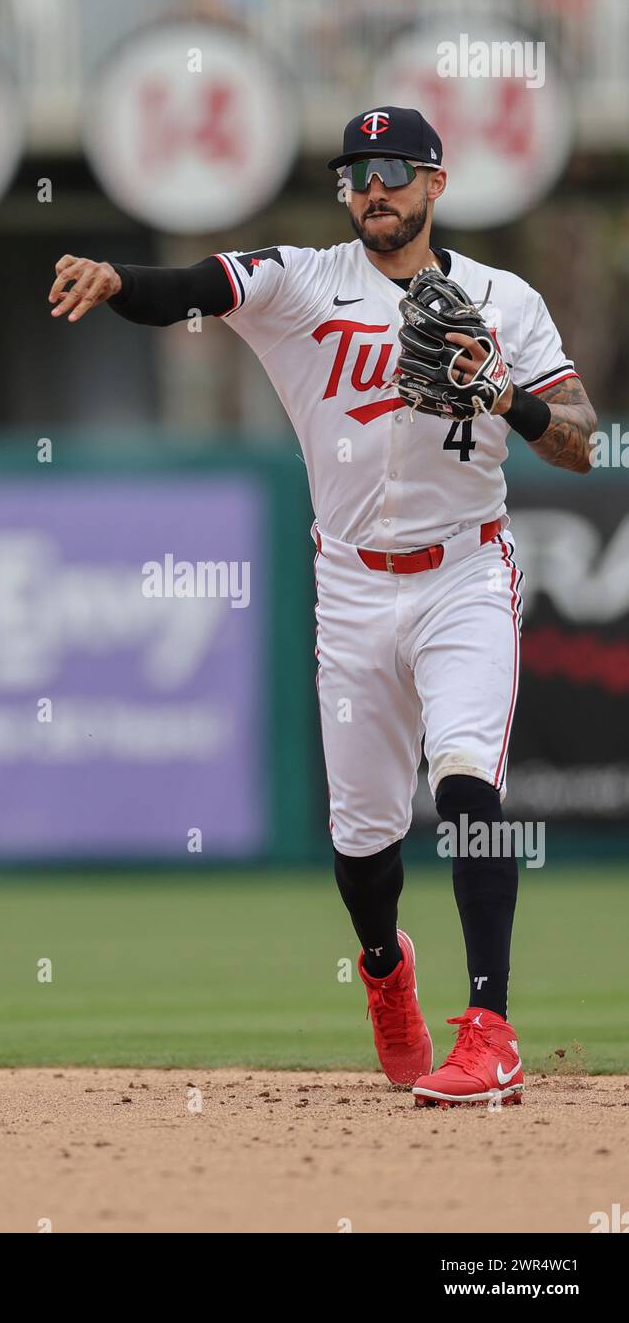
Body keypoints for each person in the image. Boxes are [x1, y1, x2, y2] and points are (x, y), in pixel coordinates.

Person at [48, 105, 596, 1107]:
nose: (372, 187)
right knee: (361, 838)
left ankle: (489, 1030)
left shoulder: (499, 300)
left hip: (466, 575)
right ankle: (385, 967)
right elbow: (195, 287)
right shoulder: (302, 282)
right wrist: (120, 279)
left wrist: (501, 396)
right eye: (356, 172)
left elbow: (580, 439)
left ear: (433, 183)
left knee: (467, 778)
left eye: (393, 168)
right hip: (349, 582)